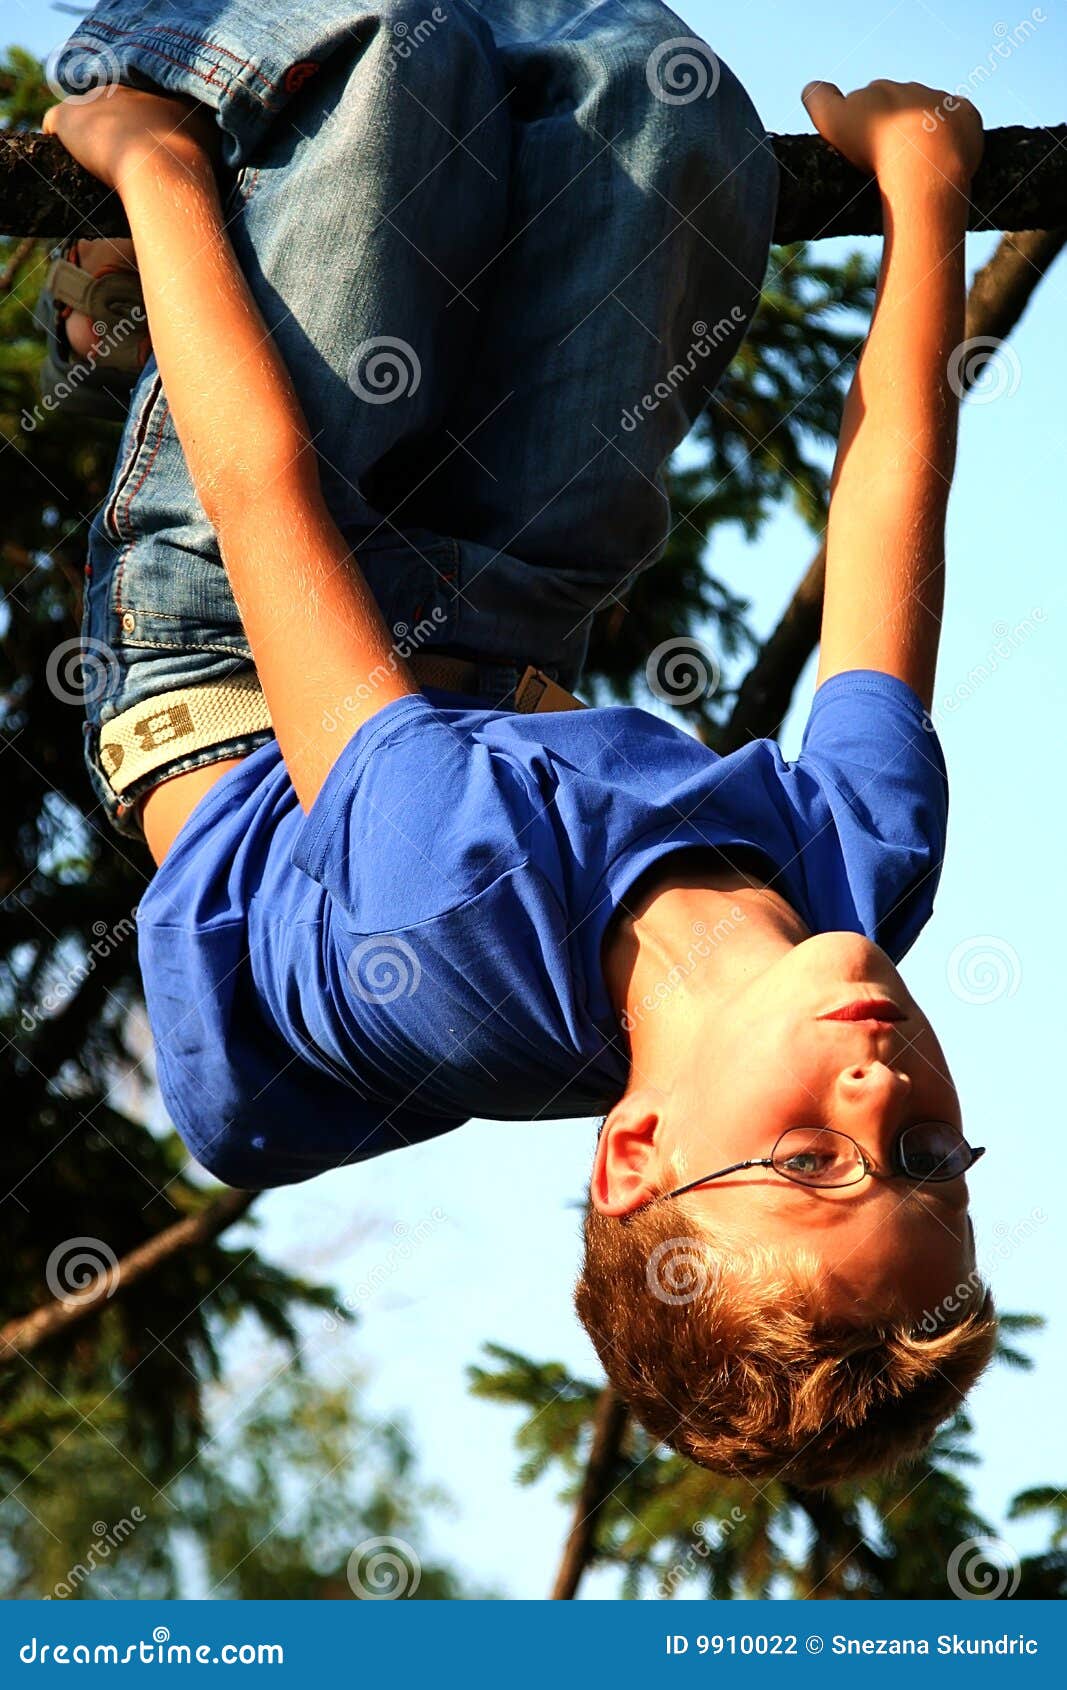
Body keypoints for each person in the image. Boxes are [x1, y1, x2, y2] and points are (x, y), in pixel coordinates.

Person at [46, 0, 995, 1486]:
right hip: (495, 631)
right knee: (667, 114)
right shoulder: (861, 888)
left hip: (238, 646)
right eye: (932, 1163)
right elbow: (890, 521)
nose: (882, 1102)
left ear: (637, 1152)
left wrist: (156, 171)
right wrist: (925, 194)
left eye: (811, 1165)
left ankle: (146, 93)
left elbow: (264, 493)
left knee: (398, 65)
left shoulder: (456, 912)